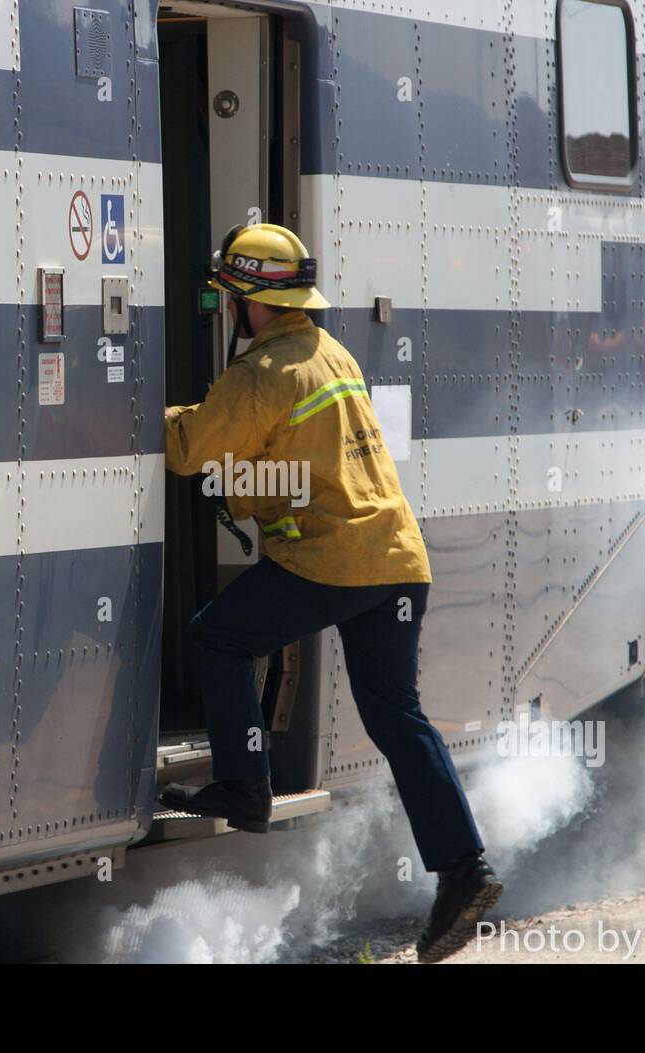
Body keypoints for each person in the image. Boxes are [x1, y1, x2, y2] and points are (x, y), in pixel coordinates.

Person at [158, 222, 503, 963]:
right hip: (399, 559)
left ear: (250, 299)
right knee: (397, 716)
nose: (230, 311)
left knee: (217, 637)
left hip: (331, 561)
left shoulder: (264, 372)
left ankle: (244, 783)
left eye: (231, 297)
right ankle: (464, 869)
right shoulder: (330, 352)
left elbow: (191, 448)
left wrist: (135, 419)